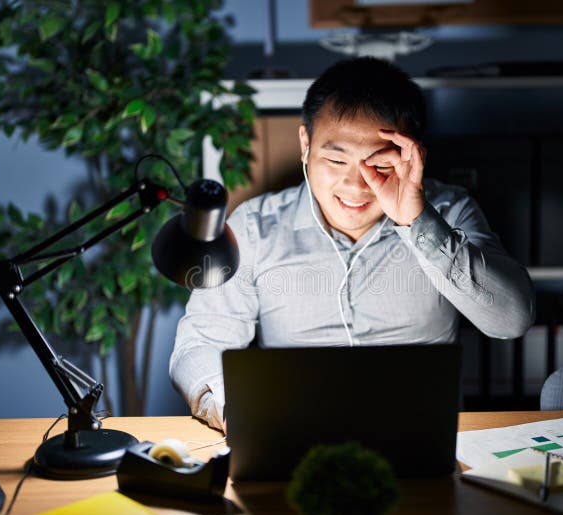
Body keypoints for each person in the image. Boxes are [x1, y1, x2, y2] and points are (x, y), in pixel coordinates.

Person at [170, 57, 534, 431]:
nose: (357, 186)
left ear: (413, 155)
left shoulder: (449, 211)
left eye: (380, 164)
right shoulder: (253, 227)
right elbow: (198, 344)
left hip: (419, 433)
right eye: (335, 159)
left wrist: (417, 221)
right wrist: (239, 411)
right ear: (305, 145)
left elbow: (511, 320)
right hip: (289, 431)